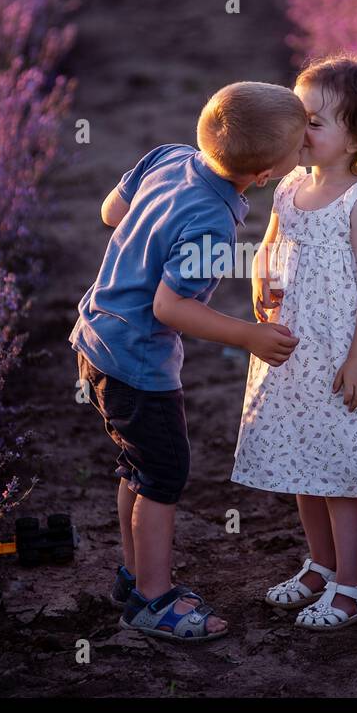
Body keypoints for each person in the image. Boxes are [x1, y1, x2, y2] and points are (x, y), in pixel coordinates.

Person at [70, 81, 308, 641]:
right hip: (138, 363)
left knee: (137, 467)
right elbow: (170, 307)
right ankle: (153, 600)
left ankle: (133, 577)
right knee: (165, 476)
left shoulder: (171, 155)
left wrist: (150, 227)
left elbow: (111, 212)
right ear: (267, 175)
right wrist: (248, 335)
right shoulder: (216, 221)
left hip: (97, 337)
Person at [231, 54, 357, 630]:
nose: (299, 131)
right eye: (297, 117)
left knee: (339, 468)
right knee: (301, 461)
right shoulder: (291, 183)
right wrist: (262, 287)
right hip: (294, 349)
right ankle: (320, 564)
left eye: (314, 121)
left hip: (343, 353)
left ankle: (352, 585)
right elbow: (268, 245)